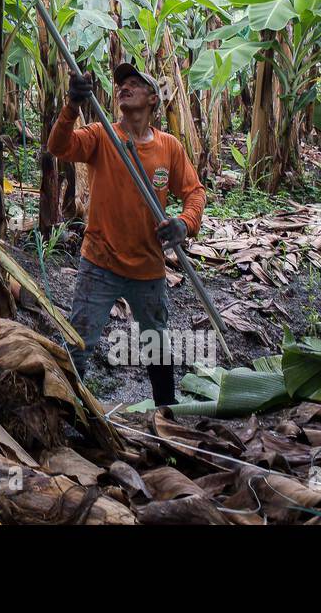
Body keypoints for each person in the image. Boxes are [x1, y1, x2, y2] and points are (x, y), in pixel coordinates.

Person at [46, 63, 206, 406]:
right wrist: (71, 105)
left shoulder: (169, 148)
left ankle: (166, 415)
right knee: (79, 343)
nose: (124, 87)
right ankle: (63, 412)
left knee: (156, 344)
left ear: (152, 99)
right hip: (100, 263)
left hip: (148, 269)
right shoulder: (102, 135)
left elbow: (195, 193)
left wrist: (185, 222)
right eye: (121, 84)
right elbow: (59, 147)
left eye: (134, 83)